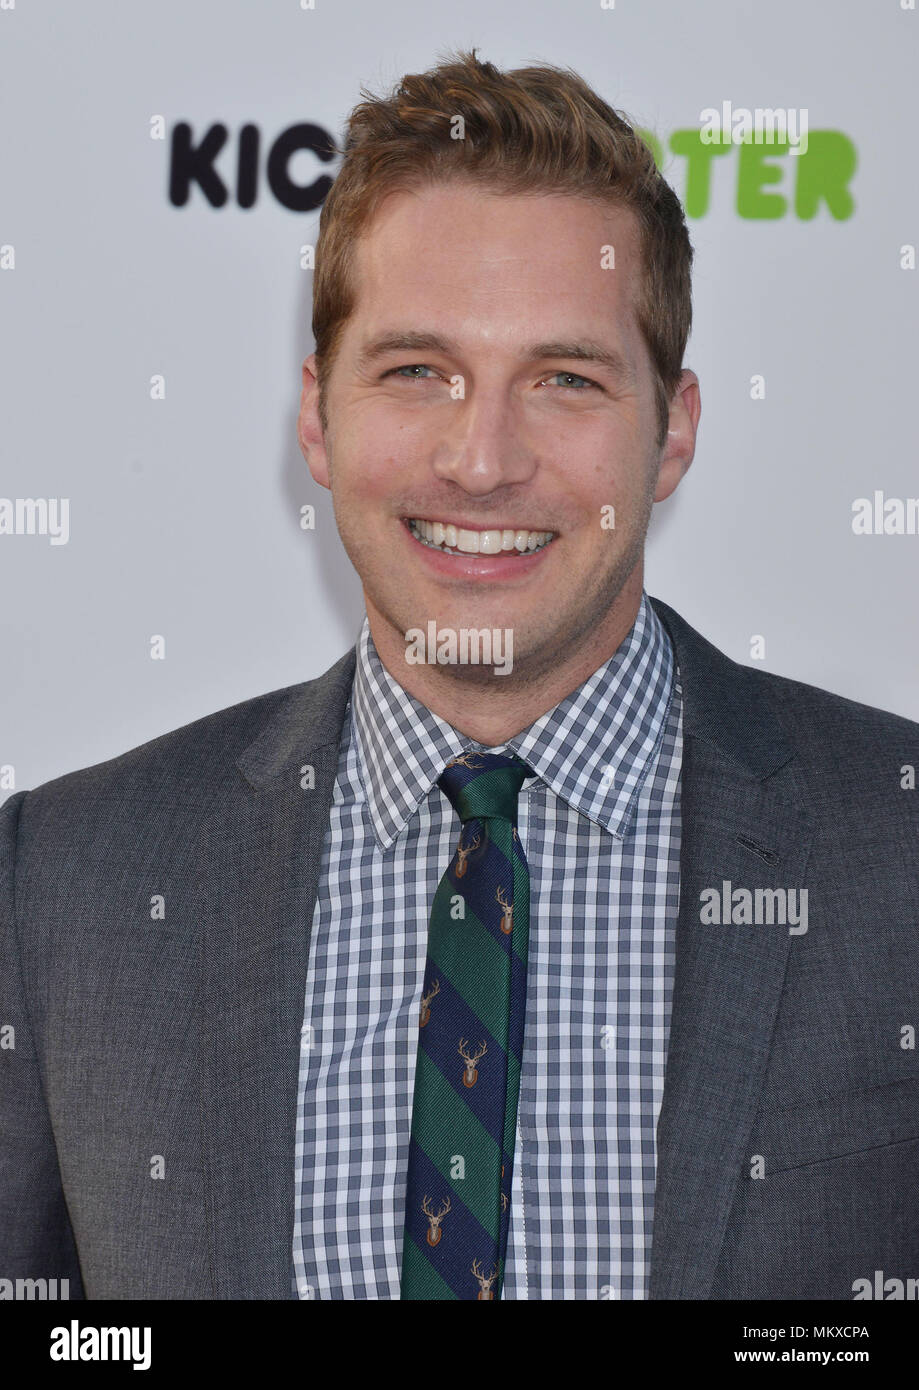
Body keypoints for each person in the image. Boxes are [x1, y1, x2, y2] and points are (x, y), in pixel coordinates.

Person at [2, 49, 917, 1302]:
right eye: (416, 372)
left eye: (565, 380)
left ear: (676, 430)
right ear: (317, 418)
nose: (481, 461)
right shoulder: (66, 884)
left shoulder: (897, 846)